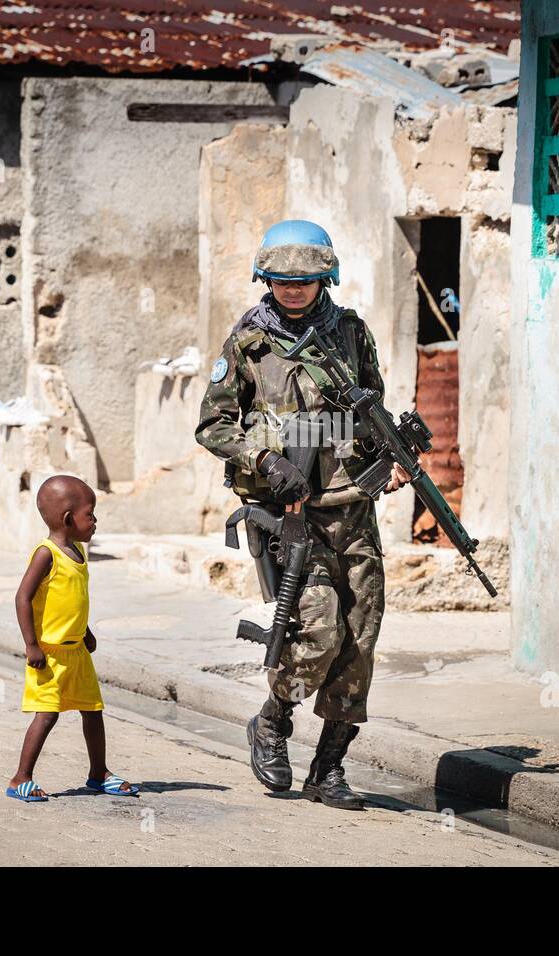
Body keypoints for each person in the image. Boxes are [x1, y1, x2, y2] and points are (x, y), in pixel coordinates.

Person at [196, 219, 409, 811]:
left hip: (351, 510)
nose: (293, 290)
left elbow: (371, 410)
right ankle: (272, 720)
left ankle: (329, 769)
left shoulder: (349, 333)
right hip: (289, 512)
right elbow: (213, 424)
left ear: (326, 279)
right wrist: (262, 459)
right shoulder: (248, 342)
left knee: (360, 642)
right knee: (317, 630)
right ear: (266, 280)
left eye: (305, 281)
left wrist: (387, 460)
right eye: (282, 281)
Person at [5, 475, 138, 801]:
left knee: (93, 711)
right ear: (68, 519)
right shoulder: (46, 554)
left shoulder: (77, 551)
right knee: (47, 715)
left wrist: (86, 632)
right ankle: (20, 778)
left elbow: (71, 600)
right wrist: (31, 644)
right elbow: (23, 598)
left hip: (76, 652)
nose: (95, 521)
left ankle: (98, 773)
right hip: (49, 656)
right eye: (90, 514)